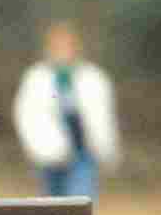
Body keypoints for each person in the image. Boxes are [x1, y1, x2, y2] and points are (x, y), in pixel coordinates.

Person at [13, 21, 120, 198]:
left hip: (84, 154)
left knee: (80, 204)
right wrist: (36, 149)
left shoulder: (94, 78)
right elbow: (26, 117)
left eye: (68, 46)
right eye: (58, 47)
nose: (63, 52)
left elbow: (104, 119)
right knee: (53, 208)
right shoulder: (36, 78)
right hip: (49, 155)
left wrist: (108, 152)